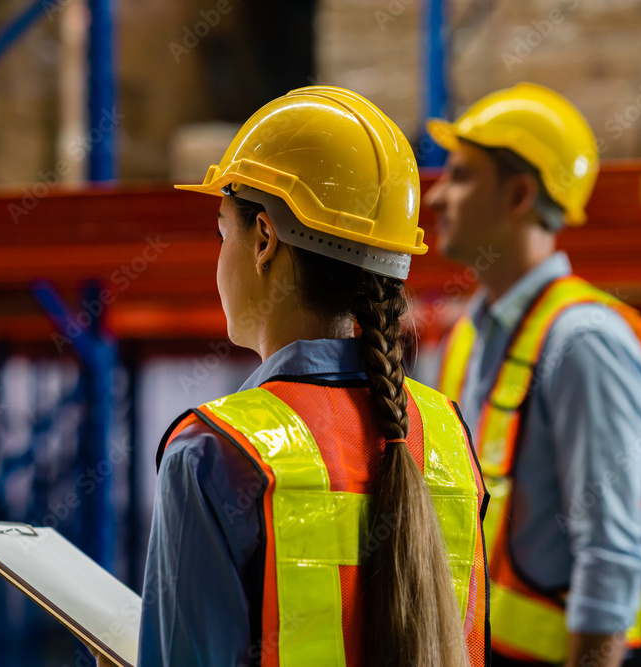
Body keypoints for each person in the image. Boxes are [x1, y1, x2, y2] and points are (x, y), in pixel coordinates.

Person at [102, 86, 489, 667]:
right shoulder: (448, 437)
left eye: (220, 232)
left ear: (263, 240)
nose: (219, 255)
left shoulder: (214, 454)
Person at [424, 82, 641, 667]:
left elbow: (610, 554)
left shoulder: (584, 343)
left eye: (460, 176)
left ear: (518, 195)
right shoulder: (466, 337)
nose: (436, 197)